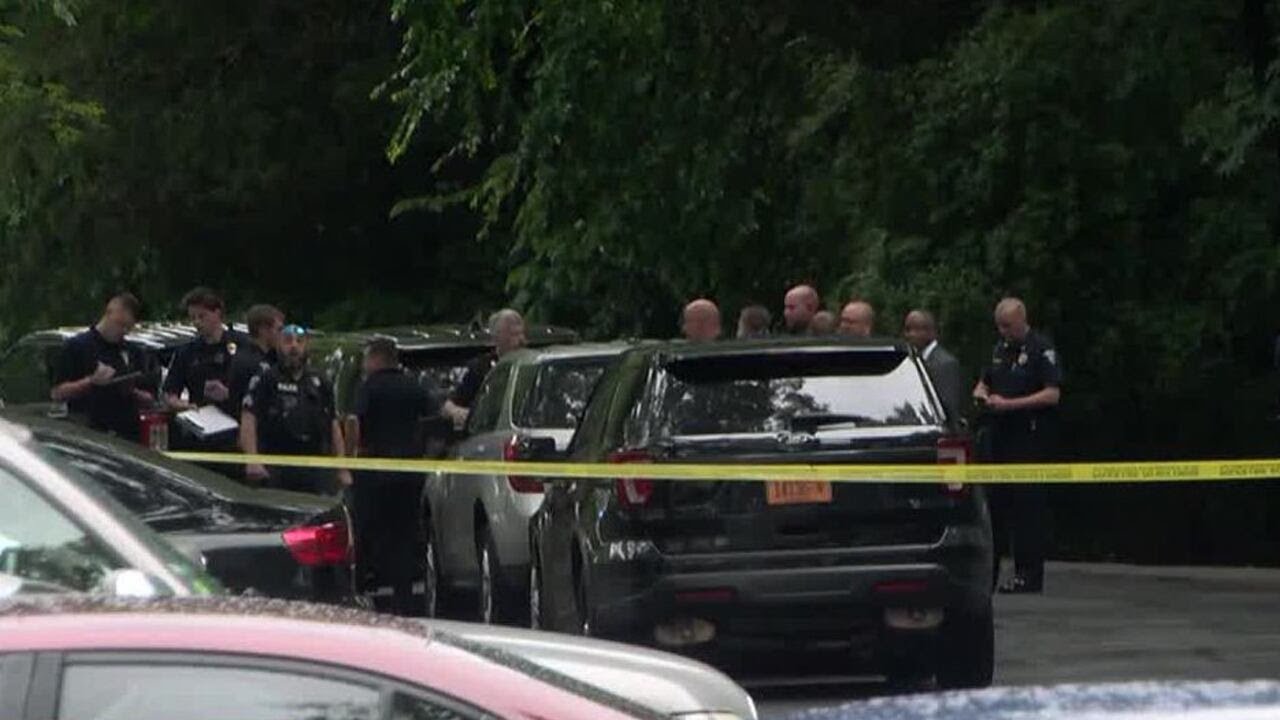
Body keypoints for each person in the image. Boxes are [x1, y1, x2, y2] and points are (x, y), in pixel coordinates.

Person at [972, 297, 1061, 595]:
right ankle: (990, 573)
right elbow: (984, 381)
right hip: (999, 437)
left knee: (1027, 509)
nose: (1004, 332)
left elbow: (1052, 394)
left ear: (1022, 319)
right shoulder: (999, 349)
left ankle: (1028, 574)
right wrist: (982, 393)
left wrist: (1011, 404)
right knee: (995, 508)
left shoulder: (1040, 349)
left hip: (1028, 438)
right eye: (1000, 326)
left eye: (1008, 326)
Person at [348, 338, 438, 615]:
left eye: (366, 359)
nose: (364, 365)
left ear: (377, 359)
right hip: (409, 473)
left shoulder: (369, 387)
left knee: (366, 530)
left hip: (374, 473)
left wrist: (351, 455)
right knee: (405, 534)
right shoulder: (414, 386)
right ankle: (405, 596)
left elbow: (354, 422)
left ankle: (362, 589)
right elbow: (434, 418)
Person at [240, 324, 351, 493]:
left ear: (306, 346)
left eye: (299, 341)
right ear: (279, 345)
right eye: (288, 341)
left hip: (315, 466)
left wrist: (342, 468)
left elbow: (333, 425)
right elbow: (248, 417)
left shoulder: (320, 382)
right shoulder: (266, 378)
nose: (294, 346)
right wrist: (252, 459)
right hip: (274, 464)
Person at [51, 293, 156, 439]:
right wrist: (90, 382)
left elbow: (150, 399)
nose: (123, 331)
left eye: (128, 328)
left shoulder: (133, 351)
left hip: (127, 433)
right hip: (89, 430)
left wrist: (132, 391)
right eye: (120, 324)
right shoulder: (77, 346)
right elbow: (58, 393)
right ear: (108, 313)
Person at [163, 288, 251, 450]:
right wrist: (184, 405)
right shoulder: (187, 352)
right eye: (193, 318)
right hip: (199, 431)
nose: (197, 322)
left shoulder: (242, 346)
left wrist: (230, 394)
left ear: (217, 313)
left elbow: (258, 391)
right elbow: (170, 394)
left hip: (235, 432)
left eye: (202, 316)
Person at [442, 309, 527, 429]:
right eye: (514, 334)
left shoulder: (532, 364)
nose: (521, 340)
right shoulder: (481, 367)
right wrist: (460, 413)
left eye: (522, 333)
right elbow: (449, 406)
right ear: (497, 338)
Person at [904, 309, 963, 421]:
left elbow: (948, 407)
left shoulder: (945, 364)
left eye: (916, 329)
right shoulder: (912, 361)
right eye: (907, 329)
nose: (910, 335)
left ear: (931, 332)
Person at [228, 304, 284, 417]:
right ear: (263, 330)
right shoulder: (253, 364)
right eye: (279, 329)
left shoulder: (270, 357)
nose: (282, 335)